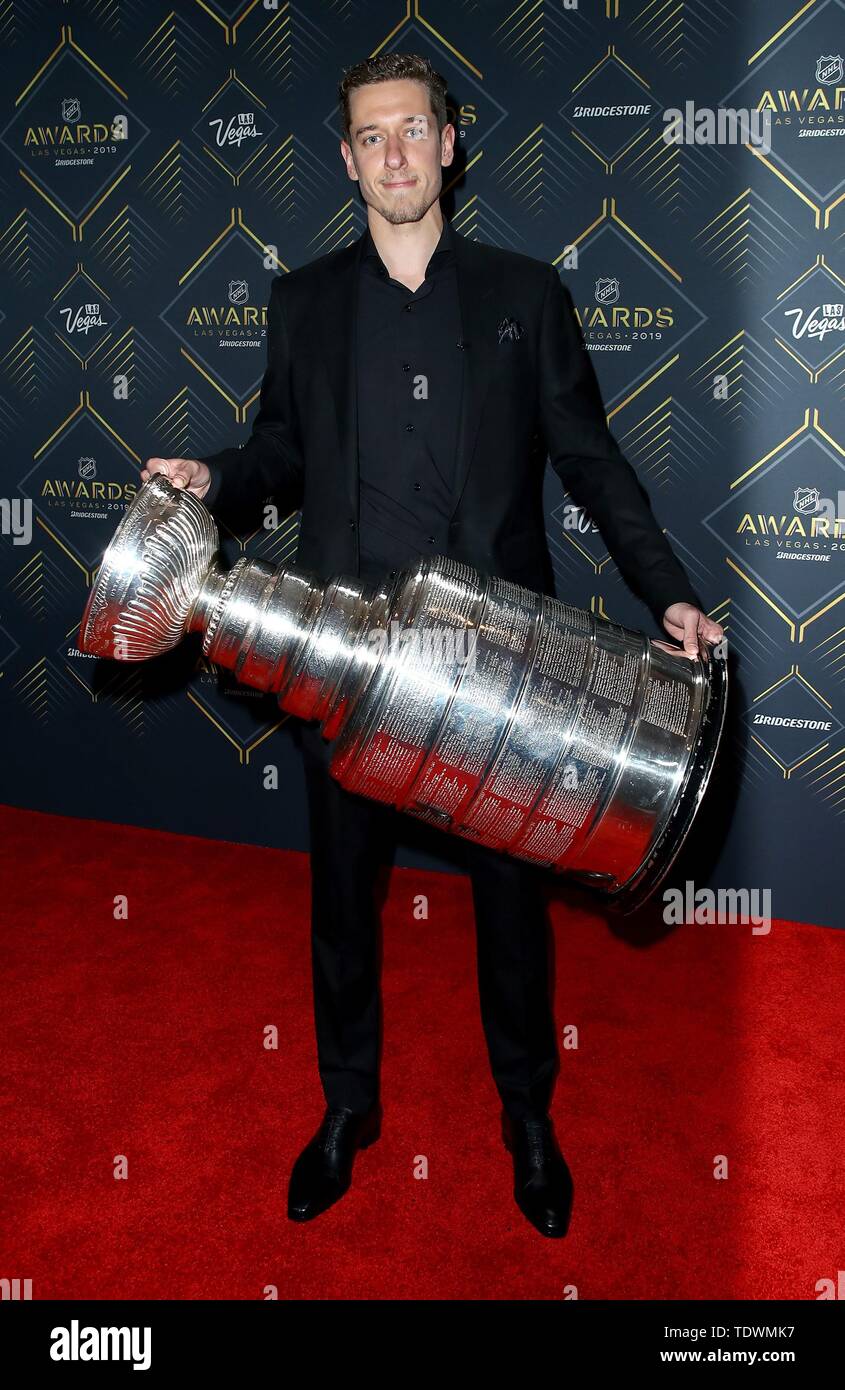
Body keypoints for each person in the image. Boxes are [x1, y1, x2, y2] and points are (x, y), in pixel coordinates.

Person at [142, 52, 724, 1239]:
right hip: (344, 665)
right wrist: (217, 476)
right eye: (371, 136)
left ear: (448, 144)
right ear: (347, 158)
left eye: (414, 130)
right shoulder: (302, 302)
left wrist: (664, 592)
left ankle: (526, 1118)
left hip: (500, 669)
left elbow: (592, 463)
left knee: (511, 912)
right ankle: (346, 1109)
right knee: (342, 907)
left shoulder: (524, 292)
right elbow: (278, 456)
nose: (395, 154)